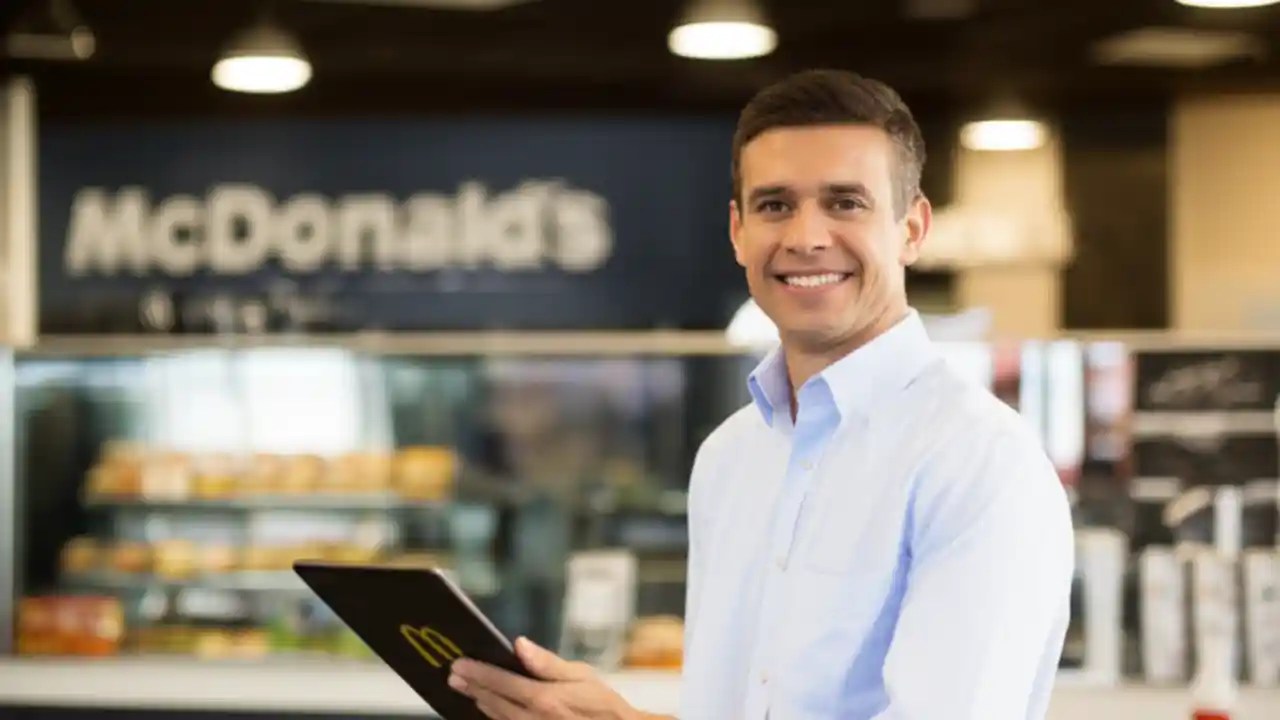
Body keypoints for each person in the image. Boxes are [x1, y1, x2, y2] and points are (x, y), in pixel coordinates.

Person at [447, 68, 1076, 720]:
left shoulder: (979, 460)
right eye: (776, 204)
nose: (805, 238)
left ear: (912, 229)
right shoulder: (729, 457)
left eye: (845, 202)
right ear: (738, 230)